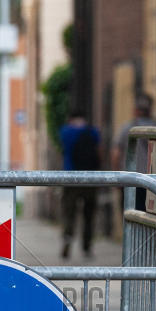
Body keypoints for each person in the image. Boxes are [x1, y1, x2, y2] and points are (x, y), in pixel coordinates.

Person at [59, 107, 102, 259]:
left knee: (69, 213)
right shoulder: (93, 131)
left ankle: (67, 240)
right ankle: (87, 247)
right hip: (90, 179)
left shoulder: (66, 131)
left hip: (71, 178)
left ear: (70, 119)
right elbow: (99, 150)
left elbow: (63, 149)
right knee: (89, 214)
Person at [114, 92, 156, 171]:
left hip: (131, 176)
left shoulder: (127, 128)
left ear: (135, 110)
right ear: (150, 110)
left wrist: (117, 172)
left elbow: (116, 154)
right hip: (153, 177)